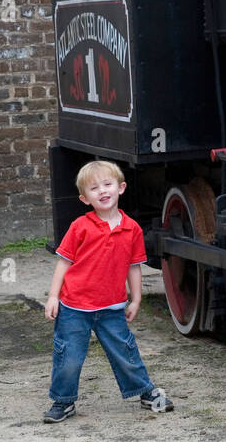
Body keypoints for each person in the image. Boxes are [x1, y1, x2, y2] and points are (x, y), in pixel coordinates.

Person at [42, 159, 173, 422]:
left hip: (112, 307)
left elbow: (134, 267)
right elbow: (64, 262)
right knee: (68, 356)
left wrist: (135, 298)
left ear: (121, 188)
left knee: (126, 352)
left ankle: (145, 392)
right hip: (74, 307)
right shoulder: (80, 227)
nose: (102, 191)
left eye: (107, 184)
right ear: (84, 198)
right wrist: (53, 297)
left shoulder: (132, 229)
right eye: (94, 188)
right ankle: (63, 402)